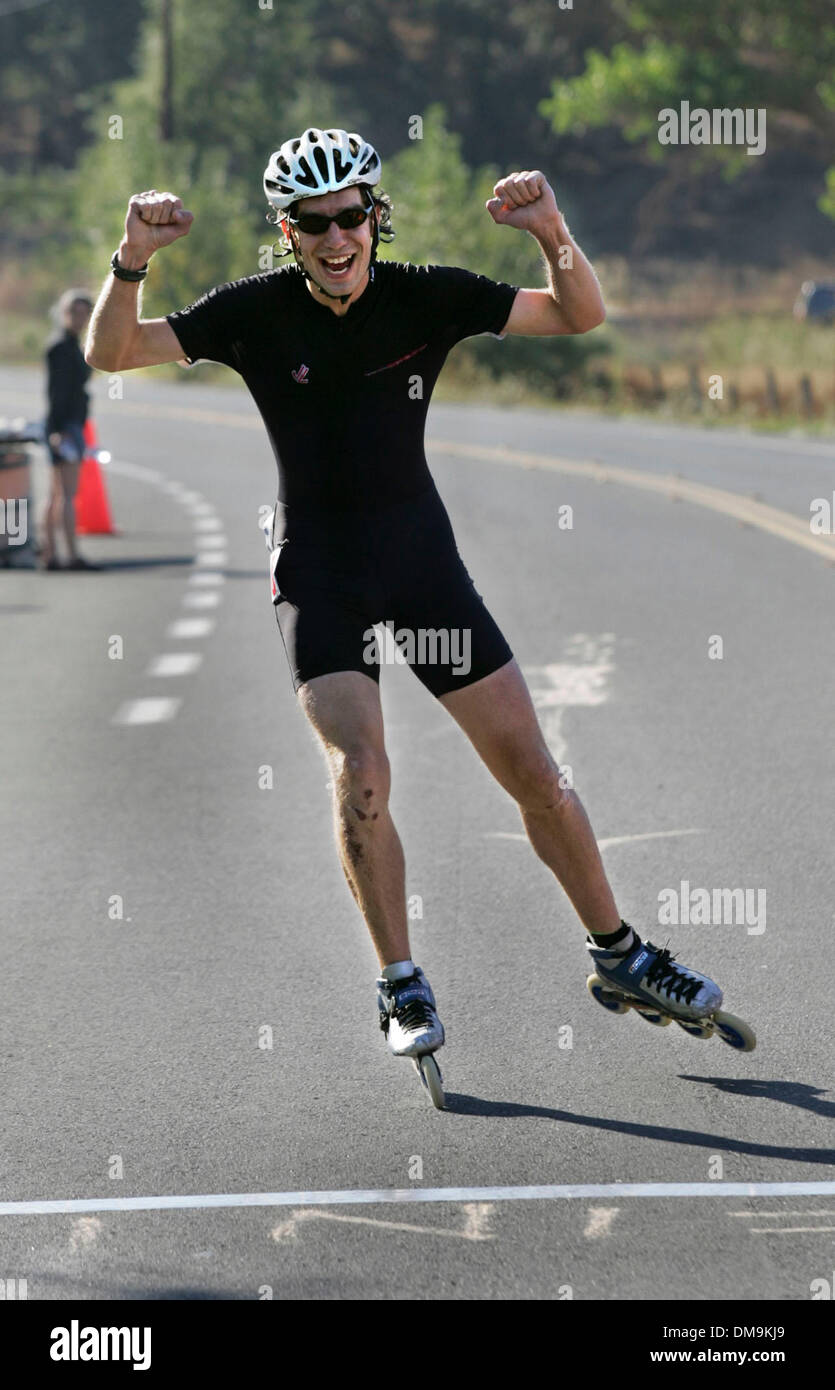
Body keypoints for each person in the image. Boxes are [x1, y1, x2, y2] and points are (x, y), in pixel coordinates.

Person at [84, 127, 729, 1085]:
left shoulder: (427, 294)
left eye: (350, 216)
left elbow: (576, 315)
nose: (335, 236)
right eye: (313, 222)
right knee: (362, 771)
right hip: (322, 574)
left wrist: (551, 229)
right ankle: (401, 981)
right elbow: (114, 350)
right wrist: (130, 258)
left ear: (374, 217)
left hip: (422, 567)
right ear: (288, 231)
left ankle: (619, 953)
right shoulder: (251, 312)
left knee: (536, 776)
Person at [41, 289, 100, 570]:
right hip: (65, 426)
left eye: (83, 313)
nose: (78, 318)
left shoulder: (73, 345)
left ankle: (52, 554)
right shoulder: (61, 348)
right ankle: (68, 555)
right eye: (73, 313)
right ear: (63, 314)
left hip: (67, 424)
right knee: (65, 494)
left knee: (57, 494)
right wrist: (58, 430)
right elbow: (57, 394)